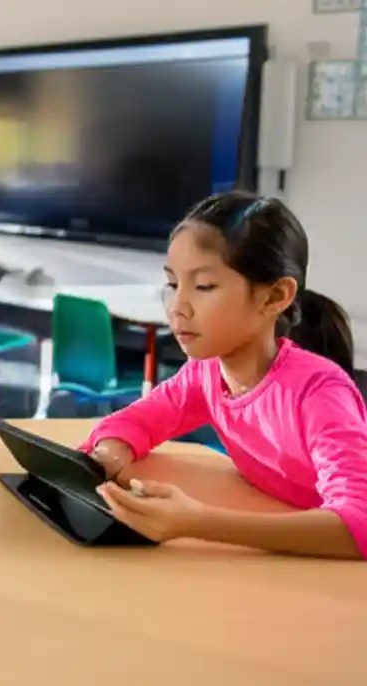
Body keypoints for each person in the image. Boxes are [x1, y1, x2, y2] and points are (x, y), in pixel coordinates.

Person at [84, 191, 367, 559]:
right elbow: (139, 419)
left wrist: (198, 522)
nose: (178, 308)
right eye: (173, 284)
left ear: (274, 296)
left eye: (203, 287)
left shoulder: (318, 392)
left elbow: (358, 525)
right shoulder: (206, 373)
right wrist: (110, 454)